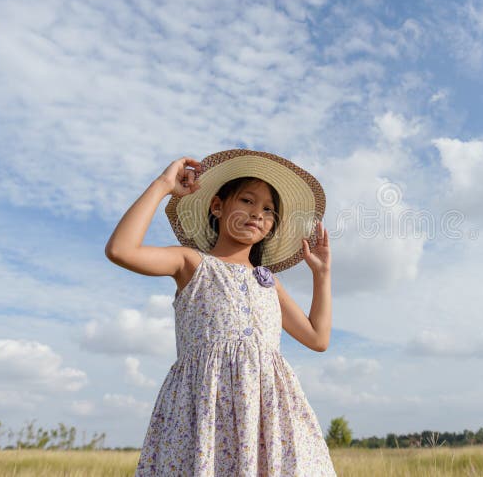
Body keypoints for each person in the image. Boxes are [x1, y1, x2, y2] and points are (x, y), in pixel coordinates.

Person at [105, 149, 337, 476]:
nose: (258, 212)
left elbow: (318, 338)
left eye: (268, 209)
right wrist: (162, 185)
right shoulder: (192, 263)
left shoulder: (268, 283)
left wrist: (322, 275)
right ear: (217, 206)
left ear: (271, 226)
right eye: (247, 200)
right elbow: (120, 250)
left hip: (264, 417)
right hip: (203, 411)